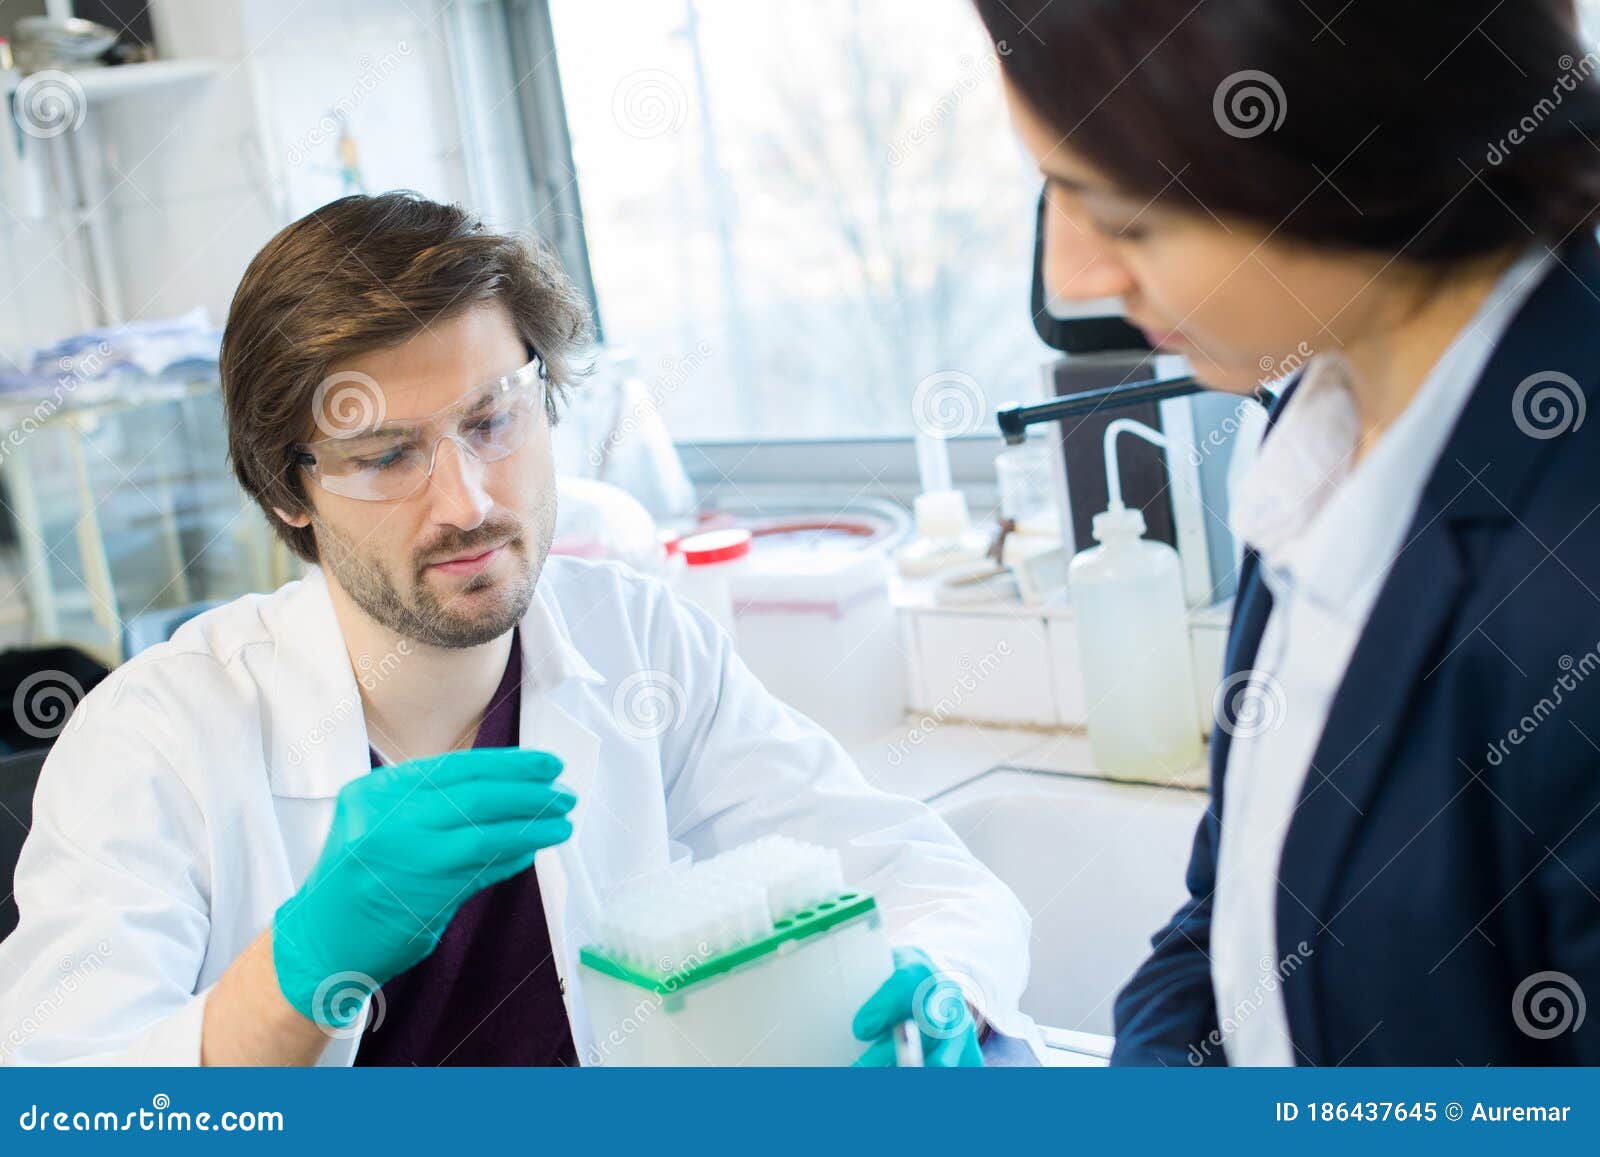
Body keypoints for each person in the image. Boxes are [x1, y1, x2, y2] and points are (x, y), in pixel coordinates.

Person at [0, 192, 1027, 1067]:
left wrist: (941, 984)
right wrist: (294, 970)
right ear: (287, 490)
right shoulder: (154, 738)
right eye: (388, 454)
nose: (467, 500)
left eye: (492, 420)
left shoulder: (639, 645)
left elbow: (921, 876)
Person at [939, 0, 1600, 1064]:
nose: (1073, 279)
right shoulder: (1316, 431)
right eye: (1052, 192)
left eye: (1124, 216)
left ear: (1353, 148)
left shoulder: (1566, 557)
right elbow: (1229, 917)